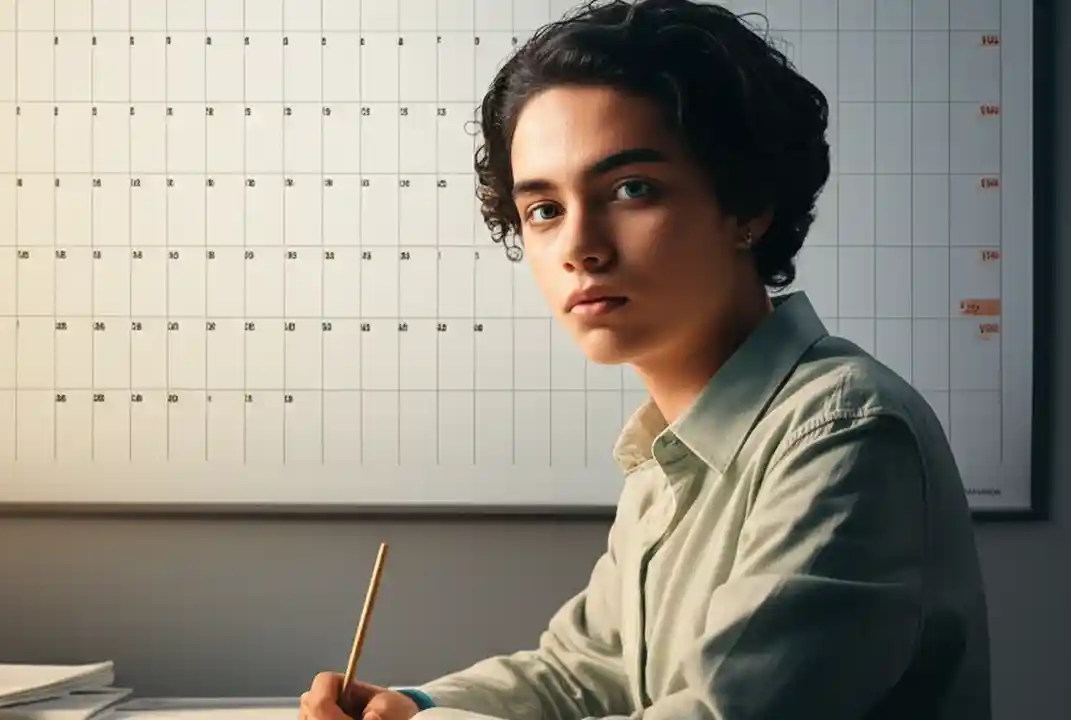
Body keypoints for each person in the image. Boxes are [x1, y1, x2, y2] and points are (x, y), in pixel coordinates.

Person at [300, 0, 990, 718]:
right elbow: (586, 673)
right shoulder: (671, 450)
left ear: (748, 204)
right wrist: (412, 707)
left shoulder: (844, 433)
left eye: (631, 189)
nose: (580, 247)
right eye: (544, 209)